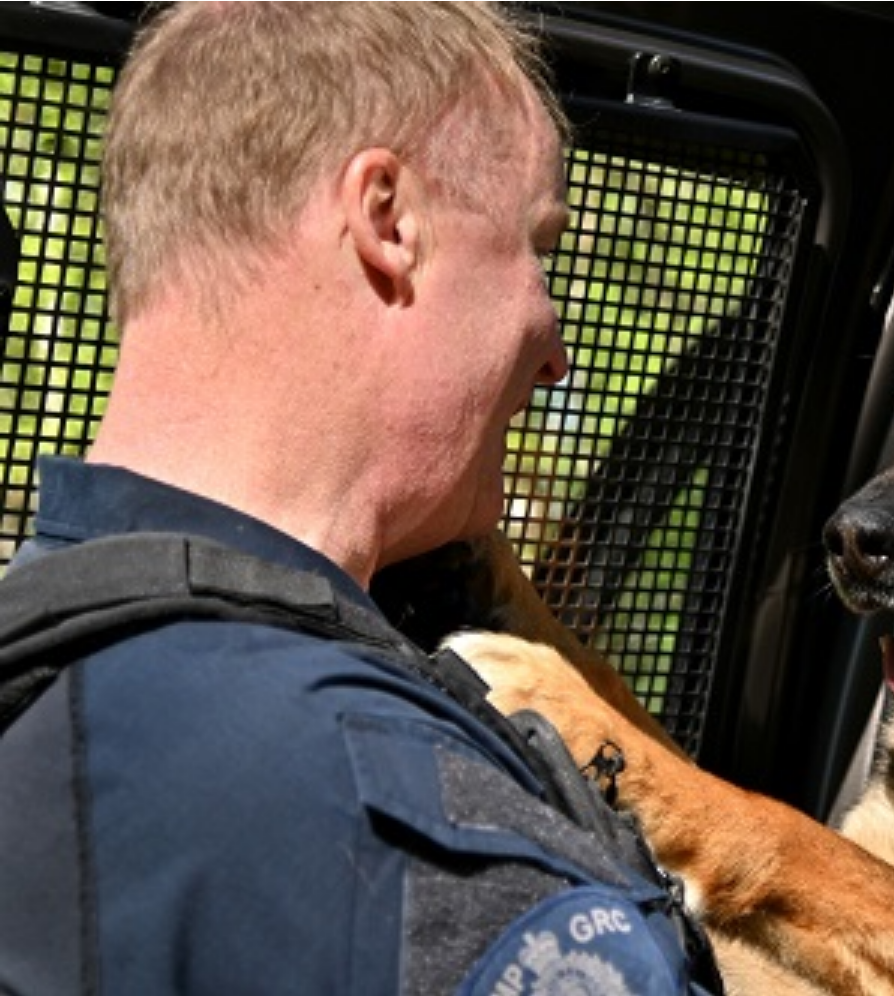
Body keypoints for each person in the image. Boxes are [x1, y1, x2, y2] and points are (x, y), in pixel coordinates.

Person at [0, 4, 719, 994]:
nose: (555, 350)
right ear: (388, 219)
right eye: (535, 247)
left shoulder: (43, 682)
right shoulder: (431, 851)